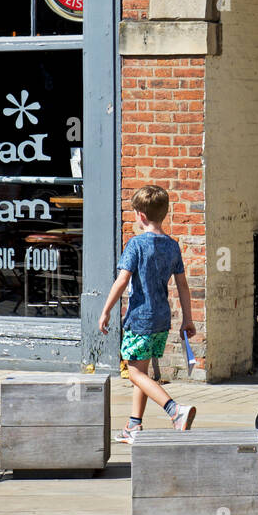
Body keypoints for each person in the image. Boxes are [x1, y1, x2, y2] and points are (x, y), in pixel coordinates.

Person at [98, 185, 196, 440]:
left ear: (140, 215)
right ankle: (133, 425)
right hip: (163, 317)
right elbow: (182, 285)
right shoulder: (172, 246)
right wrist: (188, 318)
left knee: (134, 372)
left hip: (140, 317)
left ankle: (175, 411)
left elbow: (121, 281)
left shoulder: (136, 245)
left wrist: (106, 310)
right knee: (142, 371)